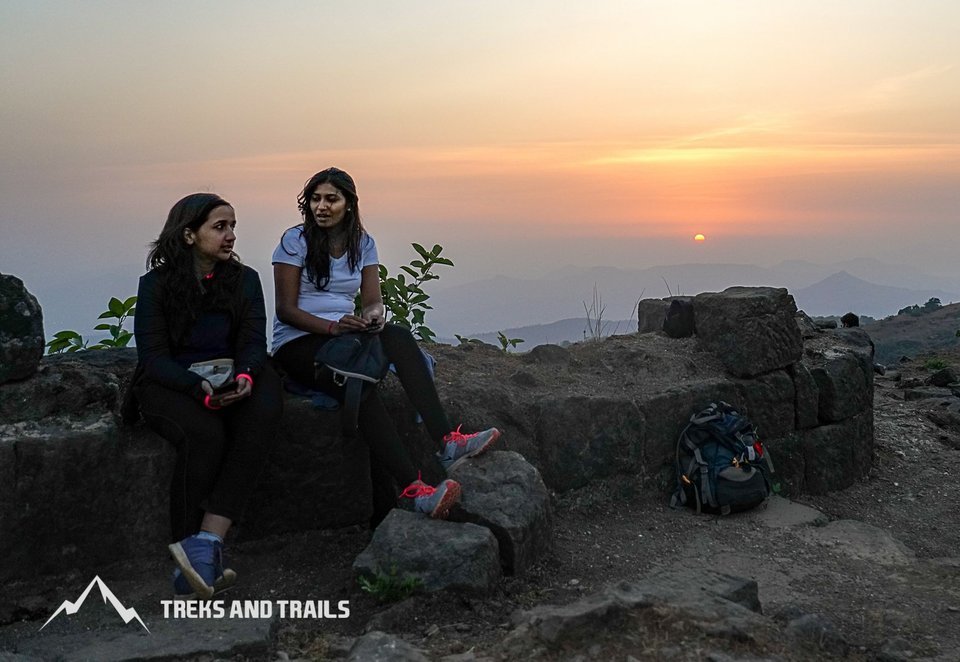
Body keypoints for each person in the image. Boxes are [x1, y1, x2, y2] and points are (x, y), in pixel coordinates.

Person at [271, 167, 499, 521]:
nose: (322, 206)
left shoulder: (363, 243)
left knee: (397, 335)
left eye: (331, 199)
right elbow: (286, 310)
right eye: (316, 199)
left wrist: (373, 316)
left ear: (349, 203)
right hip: (300, 342)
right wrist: (331, 328)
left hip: (345, 334)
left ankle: (447, 441)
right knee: (359, 388)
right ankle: (415, 489)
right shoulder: (294, 241)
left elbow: (373, 299)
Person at [129, 193, 282, 599]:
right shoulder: (156, 285)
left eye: (232, 226)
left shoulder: (243, 280)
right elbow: (154, 357)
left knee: (264, 406)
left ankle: (209, 540)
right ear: (189, 234)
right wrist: (198, 390)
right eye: (220, 227)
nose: (230, 235)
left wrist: (246, 376)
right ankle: (185, 554)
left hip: (230, 373)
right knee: (206, 435)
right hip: (171, 383)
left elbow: (252, 339)